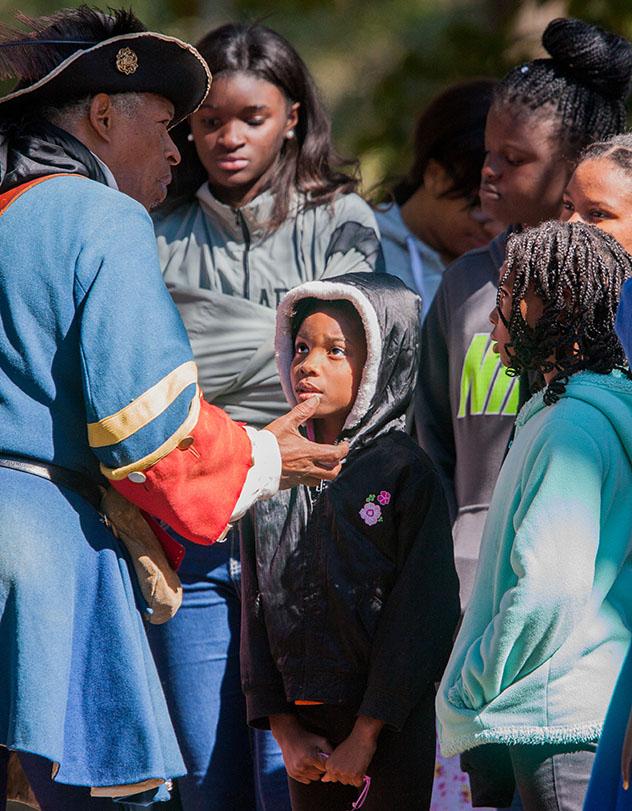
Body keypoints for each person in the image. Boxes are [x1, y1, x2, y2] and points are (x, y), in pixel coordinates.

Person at [0, 8, 347, 810]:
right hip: (44, 559)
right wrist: (264, 455)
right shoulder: (103, 215)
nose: (174, 150)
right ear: (101, 115)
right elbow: (148, 433)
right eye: (163, 125)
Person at [147, 23, 383, 811]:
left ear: (292, 117)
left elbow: (354, 373)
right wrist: (292, 330)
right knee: (205, 773)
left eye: (253, 117)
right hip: (194, 524)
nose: (229, 137)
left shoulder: (344, 219)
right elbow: (142, 377)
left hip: (311, 525)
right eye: (210, 119)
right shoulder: (154, 225)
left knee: (300, 778)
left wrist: (195, 332)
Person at [415, 17, 632, 617]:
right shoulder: (464, 285)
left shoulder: (622, 300)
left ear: (577, 165)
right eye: (488, 152)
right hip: (467, 583)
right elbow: (432, 439)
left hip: (592, 592)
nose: (489, 171)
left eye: (514, 159)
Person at [240, 272, 461, 810]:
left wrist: (366, 734)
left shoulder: (406, 473)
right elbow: (254, 609)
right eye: (301, 348)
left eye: (335, 351)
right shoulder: (270, 472)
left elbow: (422, 613)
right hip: (304, 736)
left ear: (382, 364)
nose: (308, 365)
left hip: (388, 727)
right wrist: (285, 732)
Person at [437, 220, 632, 811]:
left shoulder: (568, 426)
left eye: (507, 298)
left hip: (557, 718)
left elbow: (550, 584)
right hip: (585, 704)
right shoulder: (585, 409)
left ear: (559, 306)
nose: (492, 321)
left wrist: (475, 678)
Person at [377, 78, 500, 318]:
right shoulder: (357, 246)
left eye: (507, 212)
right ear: (436, 176)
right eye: (480, 206)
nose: (494, 228)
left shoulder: (500, 271)